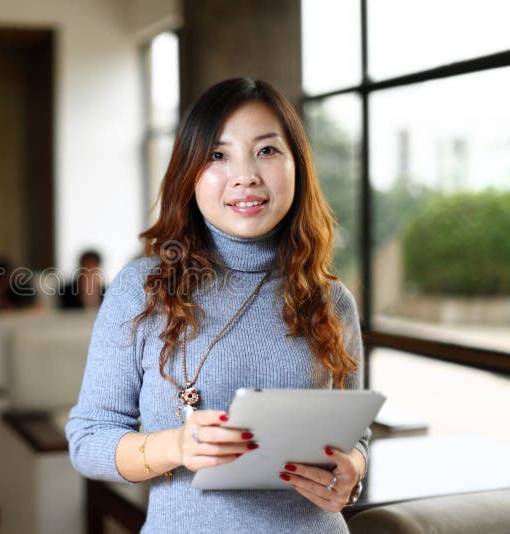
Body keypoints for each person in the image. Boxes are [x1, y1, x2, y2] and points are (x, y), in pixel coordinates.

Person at [66, 78, 368, 533]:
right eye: (218, 155)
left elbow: (356, 436)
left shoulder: (330, 300)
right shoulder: (142, 289)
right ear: (189, 171)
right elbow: (88, 439)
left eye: (267, 151)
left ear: (297, 165)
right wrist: (176, 447)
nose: (246, 175)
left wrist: (353, 471)